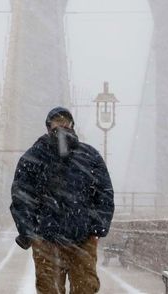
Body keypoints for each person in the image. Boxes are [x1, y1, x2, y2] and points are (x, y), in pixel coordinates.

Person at [10, 107, 114, 294]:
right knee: (49, 290)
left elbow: (104, 194)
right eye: (57, 122)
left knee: (85, 289)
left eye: (64, 121)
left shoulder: (89, 156)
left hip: (81, 239)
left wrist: (97, 229)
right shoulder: (34, 157)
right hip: (46, 241)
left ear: (72, 125)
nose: (61, 125)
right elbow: (21, 199)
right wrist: (30, 233)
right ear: (49, 126)